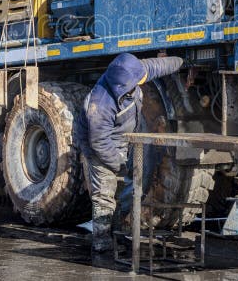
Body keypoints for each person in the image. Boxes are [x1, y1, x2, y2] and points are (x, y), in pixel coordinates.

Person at [77, 52, 183, 253]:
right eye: (139, 79)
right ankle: (101, 242)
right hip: (98, 147)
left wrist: (183, 62)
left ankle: (116, 234)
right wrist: (119, 164)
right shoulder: (100, 105)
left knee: (122, 190)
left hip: (120, 138)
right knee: (105, 194)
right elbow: (99, 142)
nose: (144, 79)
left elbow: (159, 66)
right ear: (124, 86)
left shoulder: (133, 72)